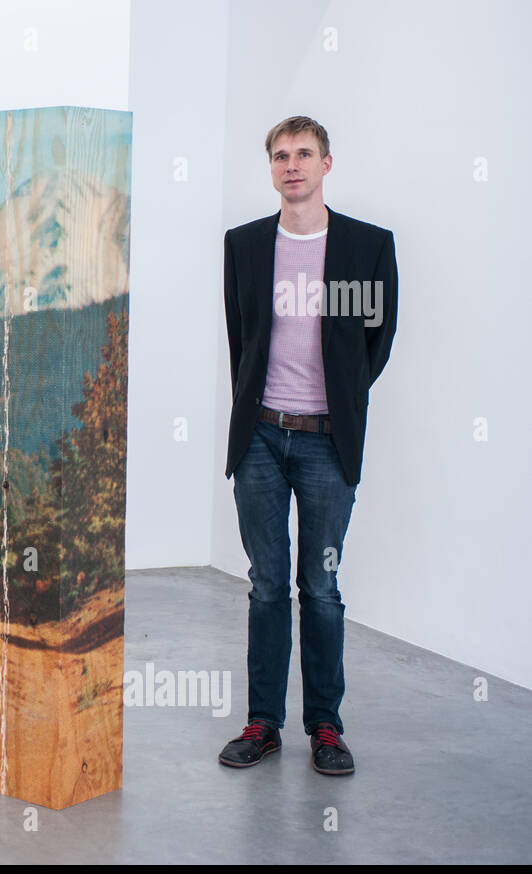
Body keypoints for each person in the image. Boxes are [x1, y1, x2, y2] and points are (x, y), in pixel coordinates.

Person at [217, 116, 397, 775]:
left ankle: (326, 726)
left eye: (303, 154)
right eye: (280, 156)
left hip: (326, 443)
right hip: (261, 438)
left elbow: (372, 345)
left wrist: (337, 403)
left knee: (319, 586)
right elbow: (244, 341)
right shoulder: (243, 245)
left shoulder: (364, 246)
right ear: (271, 169)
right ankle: (262, 723)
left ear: (326, 164)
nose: (291, 165)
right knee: (267, 585)